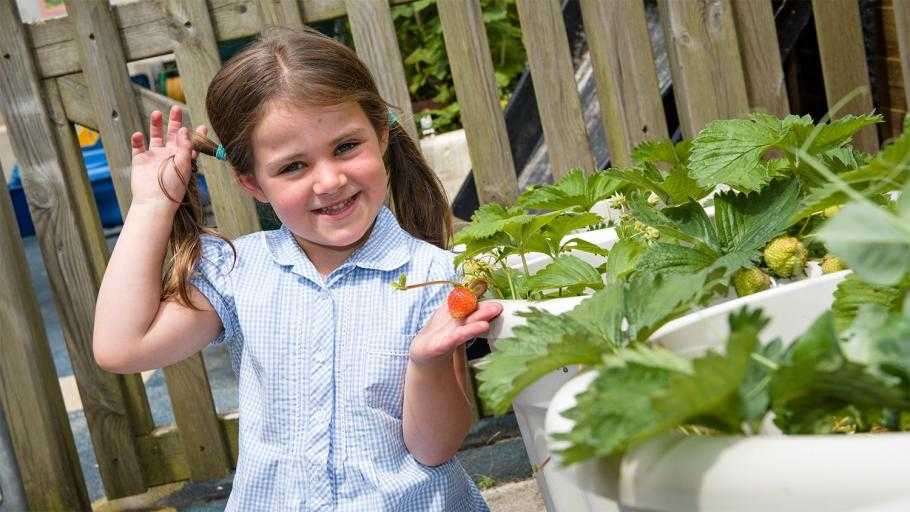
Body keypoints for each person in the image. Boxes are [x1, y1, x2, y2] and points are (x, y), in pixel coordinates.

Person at [92, 27, 502, 511]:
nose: (329, 180)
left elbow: (435, 448)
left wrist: (427, 363)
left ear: (381, 135)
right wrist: (151, 205)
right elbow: (121, 347)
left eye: (346, 146)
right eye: (293, 167)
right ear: (252, 183)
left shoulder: (434, 276)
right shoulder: (238, 271)